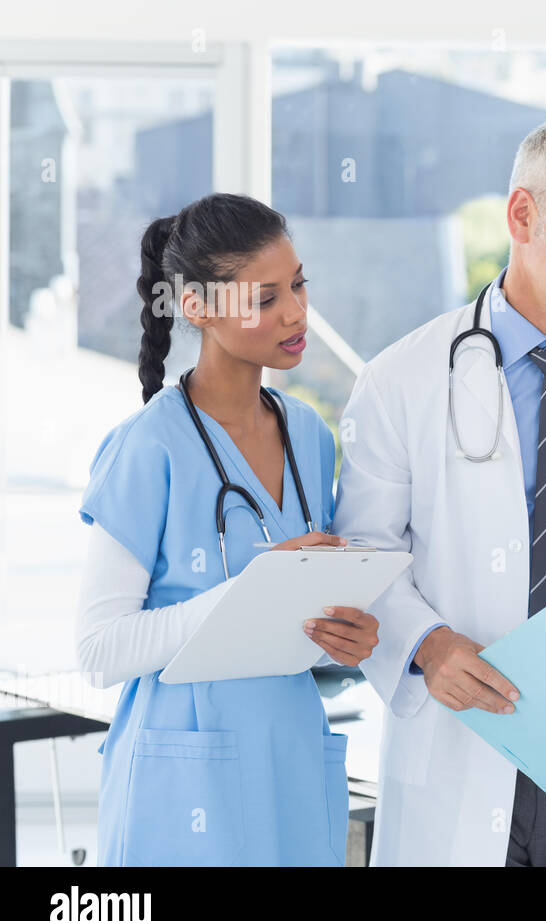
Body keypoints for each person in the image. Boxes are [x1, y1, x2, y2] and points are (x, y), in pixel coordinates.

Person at [332, 118, 546, 867]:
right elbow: (364, 553)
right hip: (467, 726)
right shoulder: (402, 378)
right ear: (522, 215)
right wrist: (427, 643)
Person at [75, 193, 380, 866]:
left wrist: (346, 638)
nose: (296, 312)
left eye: (298, 285)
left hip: (291, 754)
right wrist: (256, 590)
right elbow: (99, 652)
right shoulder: (147, 446)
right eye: (265, 298)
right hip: (183, 774)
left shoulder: (308, 433)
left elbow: (299, 625)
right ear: (197, 309)